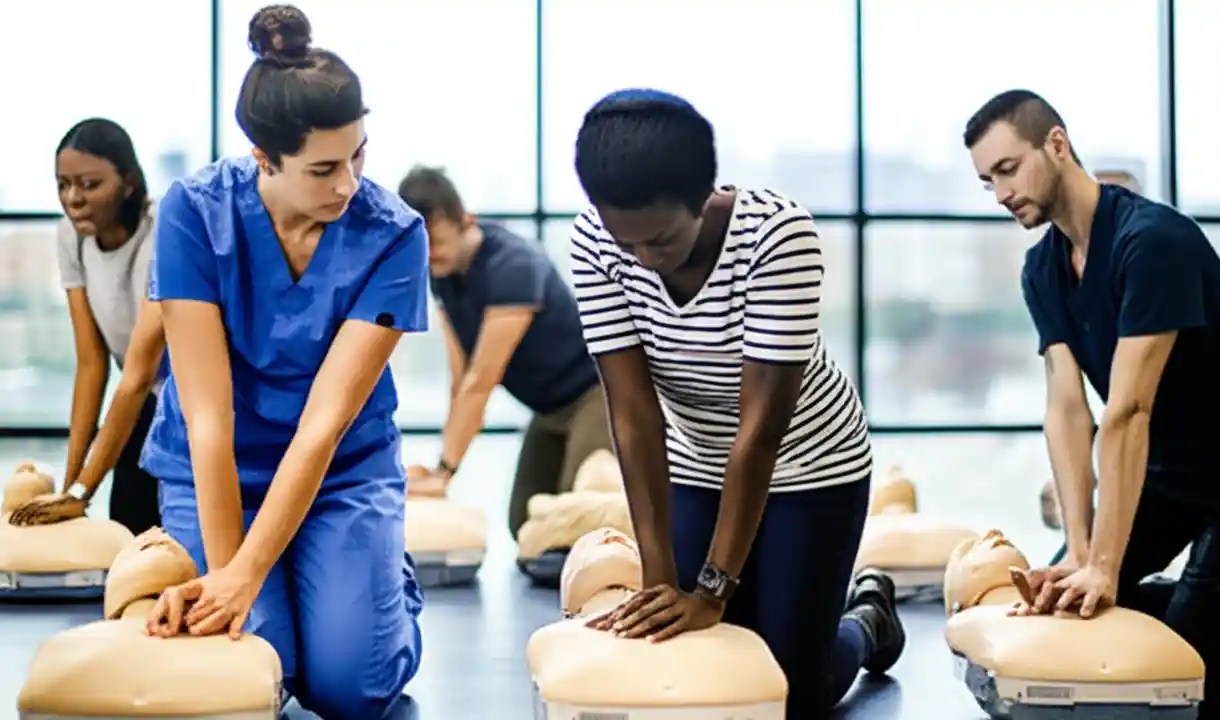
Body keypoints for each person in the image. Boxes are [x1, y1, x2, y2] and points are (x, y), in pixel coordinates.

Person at [565, 88, 906, 718]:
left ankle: (868, 620)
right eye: (626, 243)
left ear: (702, 196)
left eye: (661, 241)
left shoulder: (778, 237)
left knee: (784, 688)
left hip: (811, 466)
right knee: (699, 652)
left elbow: (761, 431)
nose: (642, 260)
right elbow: (635, 415)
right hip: (698, 464)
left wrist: (715, 586)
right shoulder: (594, 241)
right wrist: (662, 579)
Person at [139, 6, 426, 718]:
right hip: (219, 472)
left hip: (341, 471)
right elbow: (208, 418)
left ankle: (385, 574)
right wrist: (232, 579)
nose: (349, 184)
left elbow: (324, 426)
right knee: (257, 664)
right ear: (264, 159)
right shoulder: (191, 214)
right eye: (324, 168)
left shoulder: (395, 235)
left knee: (350, 690)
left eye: (359, 155)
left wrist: (246, 572)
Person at [964, 88, 1220, 704]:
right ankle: (1213, 589)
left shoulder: (1153, 242)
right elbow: (1066, 410)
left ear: (1056, 144)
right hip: (1172, 472)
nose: (1001, 193)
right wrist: (1082, 552)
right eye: (986, 182)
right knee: (1063, 610)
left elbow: (1128, 411)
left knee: (1178, 671)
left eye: (1008, 169)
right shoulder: (1043, 269)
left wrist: (1106, 568)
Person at [397, 166, 611, 539]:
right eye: (421, 246)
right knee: (526, 527)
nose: (429, 255)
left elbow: (482, 381)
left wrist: (445, 473)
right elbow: (460, 380)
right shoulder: (440, 274)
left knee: (573, 521)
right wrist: (438, 470)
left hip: (595, 394)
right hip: (547, 408)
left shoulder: (512, 265)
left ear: (467, 221)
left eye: (437, 242)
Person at [9, 119, 167, 533]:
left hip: (192, 406)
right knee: (127, 532)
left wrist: (82, 491)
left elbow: (138, 375)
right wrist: (69, 488)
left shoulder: (163, 234)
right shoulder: (71, 237)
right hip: (143, 403)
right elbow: (92, 363)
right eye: (63, 185)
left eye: (89, 184)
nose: (72, 199)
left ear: (128, 181)